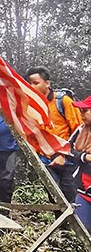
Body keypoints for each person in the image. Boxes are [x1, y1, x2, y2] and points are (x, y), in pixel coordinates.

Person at [26, 66, 80, 203]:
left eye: (36, 83)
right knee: (53, 196)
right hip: (44, 158)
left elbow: (78, 131)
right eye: (29, 83)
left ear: (47, 83)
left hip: (66, 158)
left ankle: (74, 217)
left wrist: (63, 155)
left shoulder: (62, 101)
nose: (32, 86)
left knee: (70, 194)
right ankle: (59, 218)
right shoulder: (31, 105)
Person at [69, 95, 91, 232]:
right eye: (81, 111)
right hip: (84, 190)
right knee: (82, 229)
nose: (81, 115)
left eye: (85, 111)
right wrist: (84, 157)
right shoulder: (80, 130)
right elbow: (67, 150)